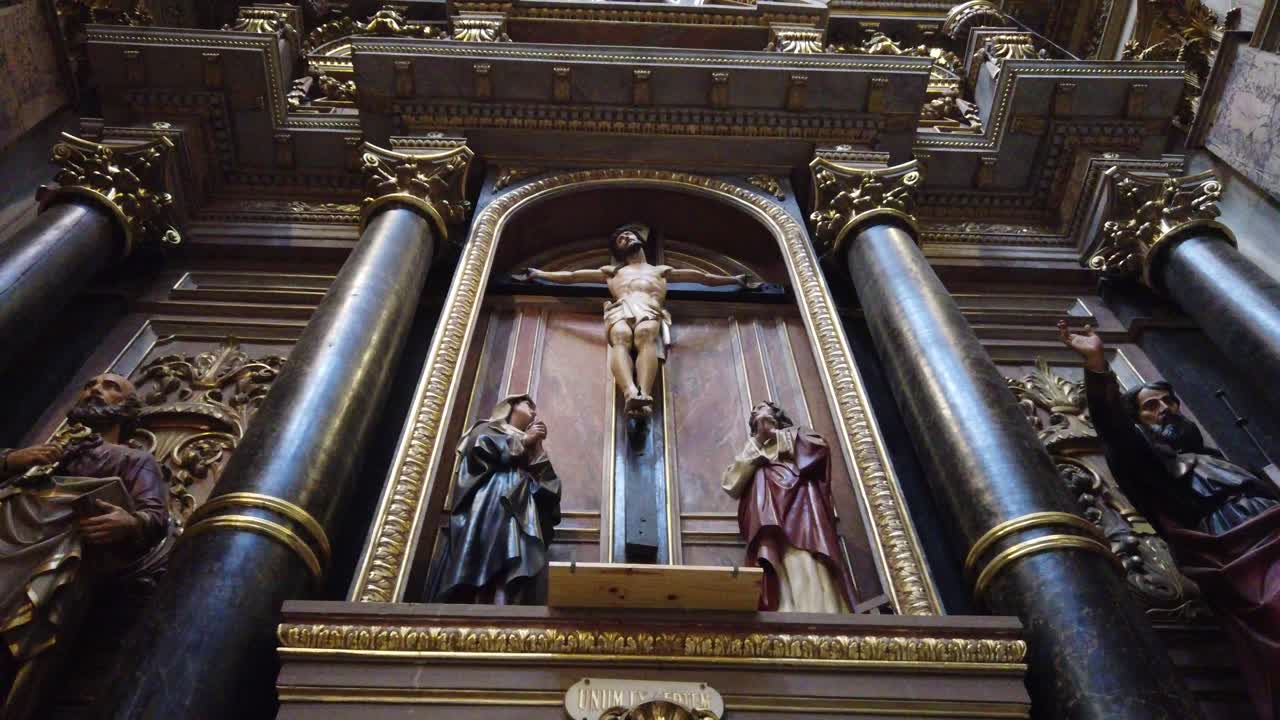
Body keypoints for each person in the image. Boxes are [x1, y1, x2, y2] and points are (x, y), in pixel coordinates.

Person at [1059, 321, 1280, 720]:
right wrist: (1096, 365)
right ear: (1140, 422)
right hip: (1236, 546)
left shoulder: (1222, 461)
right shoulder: (1154, 467)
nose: (1166, 409)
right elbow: (1115, 429)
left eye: (1169, 402)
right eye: (1152, 406)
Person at [0, 373, 171, 716]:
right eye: (90, 385)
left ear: (127, 410)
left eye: (111, 387)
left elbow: (155, 516)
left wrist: (129, 522)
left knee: (15, 651)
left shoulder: (131, 460)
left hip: (56, 563)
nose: (95, 390)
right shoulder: (38, 453)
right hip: (6, 542)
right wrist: (9, 461)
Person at [516, 224, 757, 416]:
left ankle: (644, 393)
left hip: (650, 309)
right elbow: (571, 276)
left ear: (640, 240)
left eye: (629, 235)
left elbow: (703, 277)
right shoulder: (613, 272)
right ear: (618, 250)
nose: (627, 239)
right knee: (620, 337)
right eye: (621, 239)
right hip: (621, 308)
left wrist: (735, 280)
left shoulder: (660, 271)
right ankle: (630, 392)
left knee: (644, 335)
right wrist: (540, 274)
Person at [721, 401, 856, 613]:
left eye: (763, 407)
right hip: (765, 510)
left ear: (777, 415)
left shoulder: (796, 434)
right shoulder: (752, 447)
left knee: (803, 557)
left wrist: (776, 435)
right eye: (755, 411)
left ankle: (818, 608)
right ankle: (785, 605)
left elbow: (819, 449)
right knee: (773, 559)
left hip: (799, 506)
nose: (758, 411)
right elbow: (730, 483)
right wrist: (758, 442)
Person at [434, 394, 561, 604]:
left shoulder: (530, 441)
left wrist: (537, 452)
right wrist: (522, 441)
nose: (534, 412)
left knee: (516, 552)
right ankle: (478, 599)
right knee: (487, 546)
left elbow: (549, 485)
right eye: (528, 404)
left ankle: (505, 600)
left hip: (522, 502)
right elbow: (478, 448)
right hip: (491, 497)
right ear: (510, 406)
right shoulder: (486, 429)